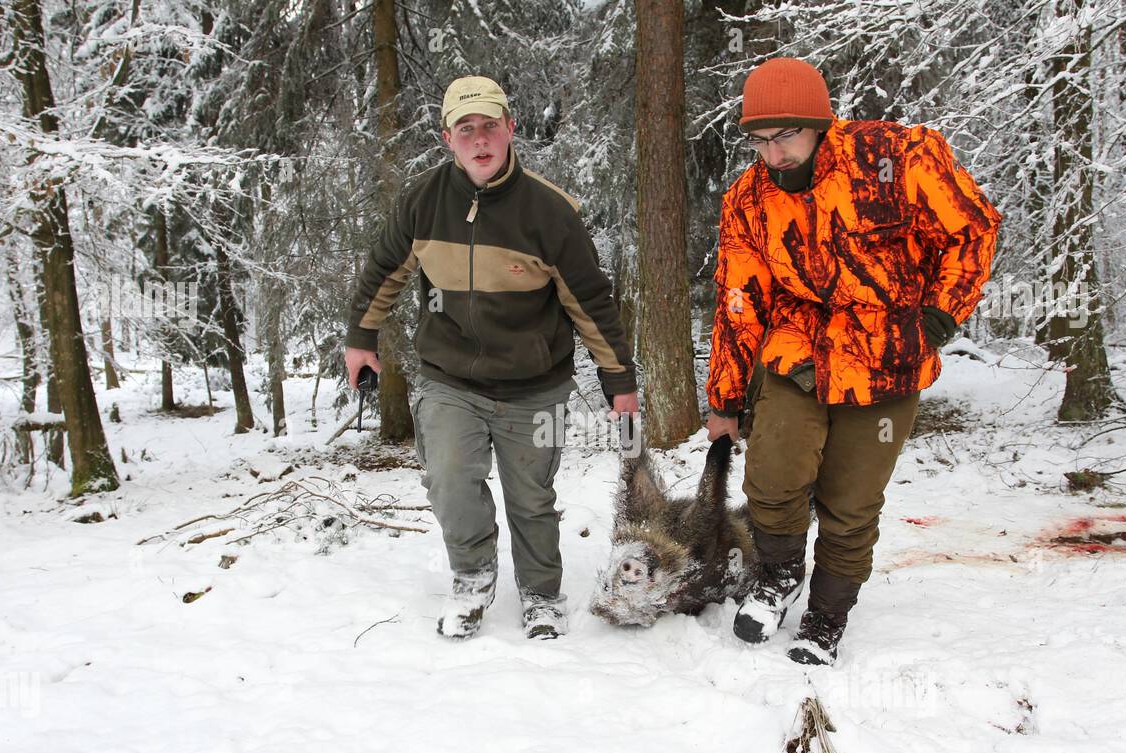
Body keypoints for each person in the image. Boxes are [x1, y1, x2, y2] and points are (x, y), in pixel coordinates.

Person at [705, 58, 1001, 665]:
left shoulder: (896, 161)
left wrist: (940, 315)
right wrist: (725, 398)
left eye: (786, 136)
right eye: (761, 141)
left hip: (886, 358)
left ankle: (827, 613)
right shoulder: (748, 202)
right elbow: (740, 299)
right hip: (797, 351)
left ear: (819, 123)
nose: (774, 154)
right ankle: (780, 576)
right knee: (774, 477)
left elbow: (973, 230)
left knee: (851, 503)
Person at [345, 76, 639, 641]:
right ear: (447, 139)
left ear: (509, 129)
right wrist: (361, 337)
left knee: (531, 497)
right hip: (449, 377)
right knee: (451, 479)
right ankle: (474, 578)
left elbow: (590, 303)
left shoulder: (550, 214)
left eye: (489, 126)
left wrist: (618, 380)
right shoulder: (423, 202)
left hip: (534, 384)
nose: (480, 139)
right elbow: (385, 270)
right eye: (466, 129)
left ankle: (542, 594)